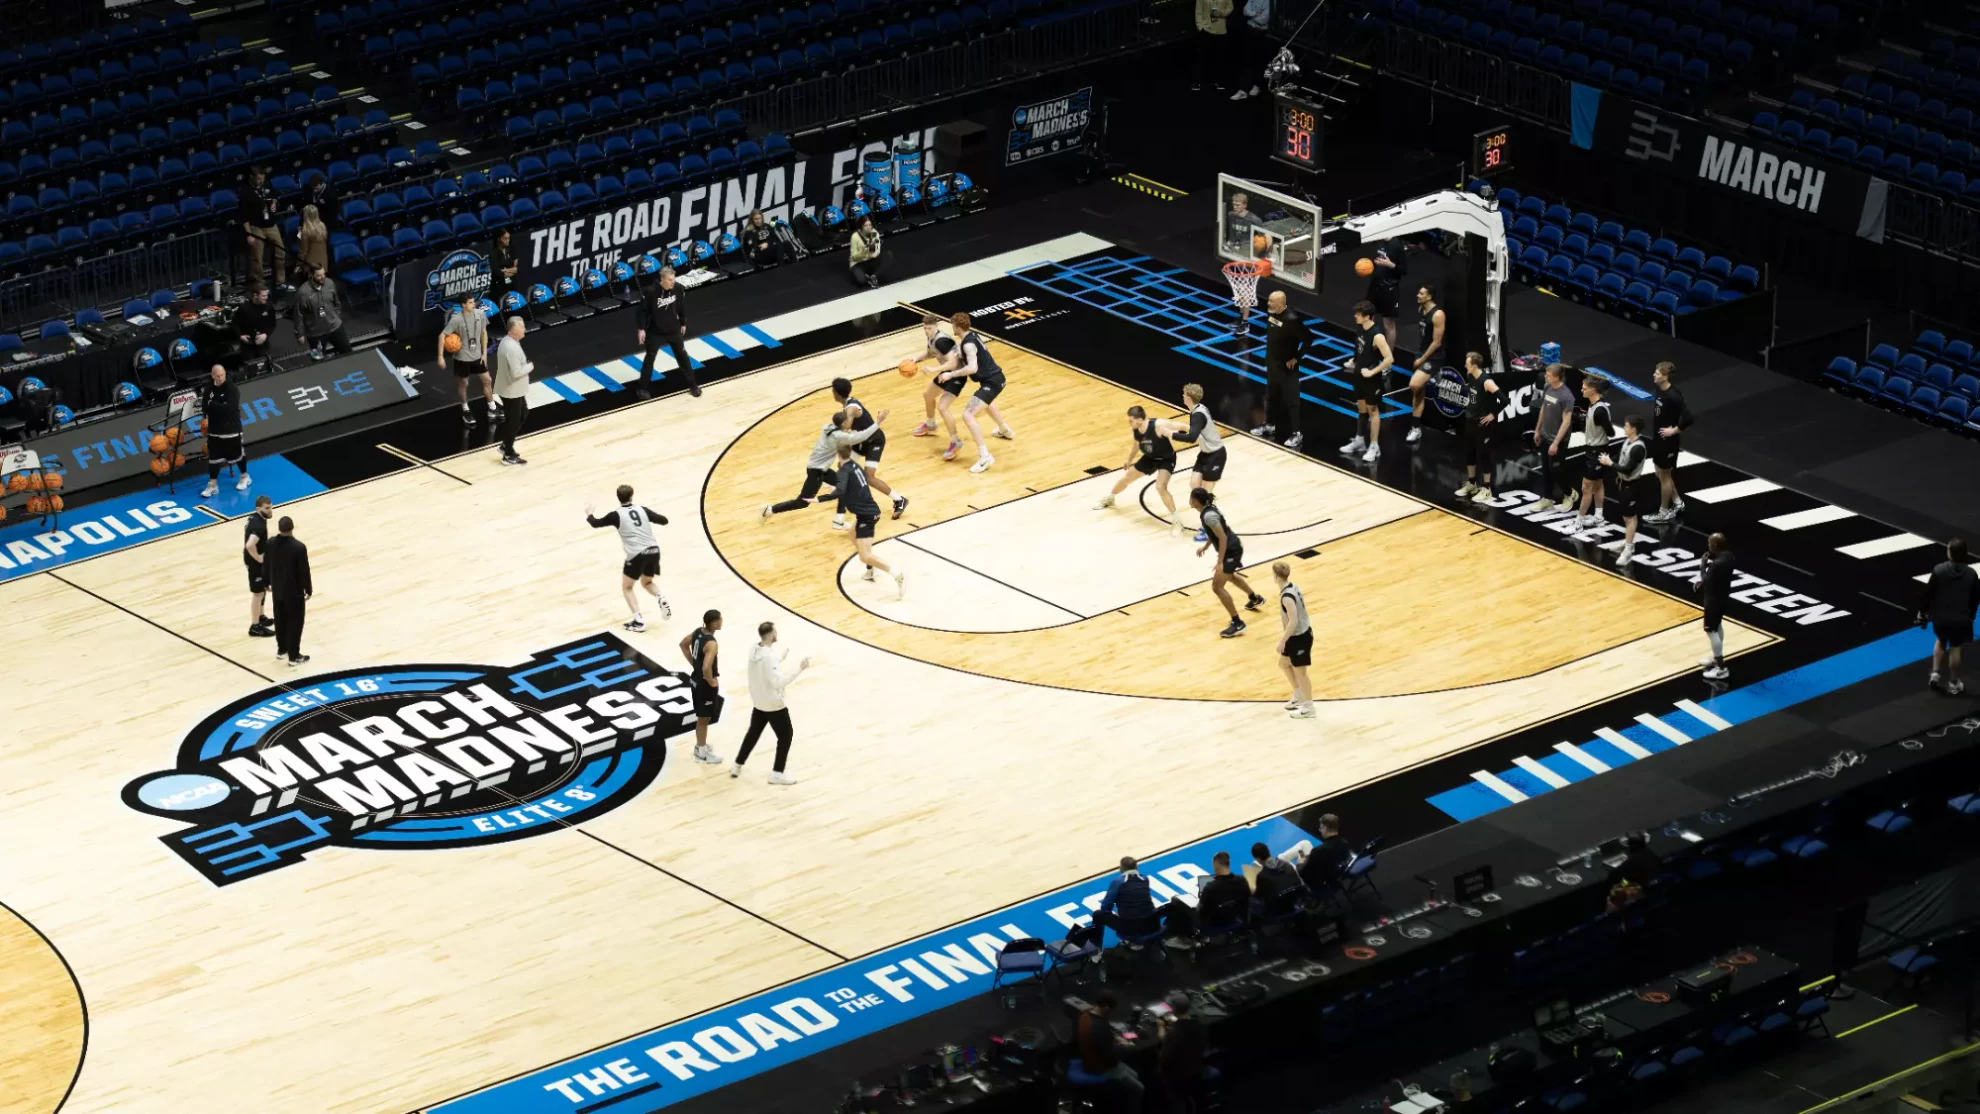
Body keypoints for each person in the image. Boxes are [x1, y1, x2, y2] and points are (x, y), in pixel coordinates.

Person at [763, 407, 884, 517]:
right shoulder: (838, 436)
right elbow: (861, 437)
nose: (850, 421)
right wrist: (877, 422)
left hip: (822, 469)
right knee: (802, 502)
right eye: (848, 420)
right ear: (842, 423)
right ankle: (771, 509)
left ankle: (853, 515)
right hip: (817, 472)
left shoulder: (828, 427)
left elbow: (845, 435)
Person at [586, 485, 672, 632]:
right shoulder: (642, 509)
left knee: (627, 587)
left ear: (618, 497)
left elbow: (596, 523)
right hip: (654, 550)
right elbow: (664, 520)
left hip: (637, 554)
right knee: (647, 582)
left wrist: (589, 514)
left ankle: (639, 621)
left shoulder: (616, 515)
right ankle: (660, 597)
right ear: (632, 496)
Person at [735, 621, 809, 785]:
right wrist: (799, 668)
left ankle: (737, 765)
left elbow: (767, 664)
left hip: (759, 701)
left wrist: (782, 656)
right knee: (786, 735)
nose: (777, 634)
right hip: (773, 704)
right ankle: (777, 773)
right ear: (769, 635)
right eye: (775, 632)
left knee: (753, 733)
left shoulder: (755, 649)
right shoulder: (769, 657)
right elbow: (777, 682)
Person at [1094, 405, 1185, 536]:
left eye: (1131, 420)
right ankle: (1110, 498)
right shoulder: (1137, 430)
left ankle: (1177, 521)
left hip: (1166, 459)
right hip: (1149, 458)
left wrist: (1194, 433)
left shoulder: (1158, 425)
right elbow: (1136, 445)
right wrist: (1129, 460)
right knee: (1126, 478)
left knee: (1160, 487)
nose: (1129, 423)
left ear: (1140, 420)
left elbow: (1181, 426)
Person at [834, 441, 905, 598]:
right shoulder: (854, 466)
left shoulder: (844, 471)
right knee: (852, 533)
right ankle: (871, 570)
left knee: (864, 556)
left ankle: (895, 573)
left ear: (838, 455)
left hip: (867, 514)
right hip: (866, 510)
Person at [945, 312, 1014, 474]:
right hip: (994, 378)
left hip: (993, 382)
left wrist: (951, 374)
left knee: (968, 415)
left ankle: (985, 456)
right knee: (986, 403)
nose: (952, 328)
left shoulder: (968, 344)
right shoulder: (972, 335)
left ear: (958, 327)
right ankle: (1005, 430)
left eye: (953, 325)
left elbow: (972, 368)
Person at [830, 376, 907, 521]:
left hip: (874, 441)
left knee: (869, 477)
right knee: (843, 464)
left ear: (837, 393)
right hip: (862, 440)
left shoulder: (851, 407)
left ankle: (899, 500)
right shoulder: (847, 404)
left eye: (833, 390)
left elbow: (847, 424)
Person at [1193, 488, 1264, 637]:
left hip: (1231, 550)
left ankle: (1237, 623)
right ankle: (1254, 598)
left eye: (1191, 498)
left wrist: (1220, 562)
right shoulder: (1207, 511)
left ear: (1196, 501)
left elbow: (1223, 537)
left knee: (1217, 586)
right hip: (1233, 547)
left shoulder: (1209, 516)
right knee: (1230, 576)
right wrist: (1205, 546)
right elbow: (1215, 534)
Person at [1918, 538, 1979, 694]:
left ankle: (1935, 674)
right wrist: (1971, 615)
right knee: (1955, 648)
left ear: (1950, 553)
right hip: (1961, 618)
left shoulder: (1939, 570)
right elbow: (1974, 598)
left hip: (1940, 617)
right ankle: (1953, 682)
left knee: (1940, 640)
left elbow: (1928, 594)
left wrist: (1922, 611)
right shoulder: (1972, 574)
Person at [1339, 300, 1392, 464]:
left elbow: (1389, 359)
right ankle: (1360, 441)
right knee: (1361, 409)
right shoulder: (1360, 328)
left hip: (1372, 379)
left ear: (1367, 316)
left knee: (1372, 411)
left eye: (1358, 314)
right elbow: (1359, 349)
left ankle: (1375, 447)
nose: (1355, 316)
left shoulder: (1378, 336)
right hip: (1358, 375)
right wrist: (1354, 360)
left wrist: (1372, 372)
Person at [1171, 383, 1226, 540]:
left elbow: (1191, 437)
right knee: (1195, 487)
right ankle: (1214, 514)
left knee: (1204, 495)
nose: (1182, 396)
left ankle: (1211, 529)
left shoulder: (1198, 415)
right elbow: (1196, 431)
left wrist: (1172, 434)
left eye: (1183, 394)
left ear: (1188, 398)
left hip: (1216, 455)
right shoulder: (1198, 409)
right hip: (1205, 454)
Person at [1256, 290, 1309, 448]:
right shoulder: (1271, 314)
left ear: (1280, 304)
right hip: (1273, 363)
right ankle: (1269, 425)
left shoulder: (1292, 319)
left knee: (1292, 401)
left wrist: (1296, 358)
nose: (1268, 303)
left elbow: (1308, 339)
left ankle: (1297, 434)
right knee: (1271, 396)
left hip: (1287, 367)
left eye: (1271, 301)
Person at [637, 266, 697, 396]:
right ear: (662, 279)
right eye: (669, 280)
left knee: (683, 356)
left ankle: (693, 385)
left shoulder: (678, 289)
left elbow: (681, 306)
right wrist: (641, 329)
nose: (672, 282)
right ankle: (642, 388)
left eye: (673, 279)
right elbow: (642, 312)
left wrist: (683, 322)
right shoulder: (650, 292)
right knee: (650, 358)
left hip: (673, 330)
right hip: (655, 332)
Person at [1075, 994, 1144, 1108]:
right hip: (1103, 1067)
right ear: (1107, 1007)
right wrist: (1126, 1047)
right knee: (1140, 1089)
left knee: (1135, 1075)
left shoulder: (1086, 1015)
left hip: (1093, 1058)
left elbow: (1106, 1038)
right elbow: (1110, 1058)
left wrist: (1117, 1039)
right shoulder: (1099, 1028)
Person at [1601, 415, 1652, 565]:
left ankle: (1628, 550)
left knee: (1629, 518)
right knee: (1628, 517)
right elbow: (1619, 457)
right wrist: (1608, 458)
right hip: (1622, 484)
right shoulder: (1628, 442)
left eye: (1626, 426)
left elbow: (1628, 470)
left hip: (1631, 486)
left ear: (1633, 429)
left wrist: (1610, 464)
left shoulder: (1638, 448)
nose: (1624, 428)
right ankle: (1628, 542)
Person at [1646, 361, 1693, 523]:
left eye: (1657, 373)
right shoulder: (1660, 389)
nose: (1654, 375)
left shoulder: (1674, 396)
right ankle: (1678, 502)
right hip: (1658, 439)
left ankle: (1664, 511)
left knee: (1665, 475)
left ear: (1665, 377)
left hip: (1668, 443)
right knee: (1659, 473)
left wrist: (1674, 430)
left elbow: (1688, 417)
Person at [438, 296, 496, 425]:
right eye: (470, 302)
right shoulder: (456, 319)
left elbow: (484, 333)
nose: (473, 304)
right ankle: (465, 409)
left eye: (473, 302)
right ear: (463, 304)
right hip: (462, 358)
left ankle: (492, 408)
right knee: (464, 384)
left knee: (487, 380)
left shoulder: (480, 314)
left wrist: (484, 353)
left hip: (477, 356)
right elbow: (442, 335)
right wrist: (440, 356)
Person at [1452, 350, 1500, 504]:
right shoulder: (1470, 377)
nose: (1465, 365)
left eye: (1467, 363)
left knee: (1484, 455)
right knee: (1469, 452)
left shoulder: (1487, 381)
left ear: (1474, 365)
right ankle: (1472, 484)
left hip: (1483, 424)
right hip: (1470, 421)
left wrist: (1493, 414)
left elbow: (1505, 400)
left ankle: (1486, 488)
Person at [679, 610, 726, 765]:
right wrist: (711, 680)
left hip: (695, 679)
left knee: (702, 717)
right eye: (719, 619)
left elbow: (683, 644)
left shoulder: (698, 631)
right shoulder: (712, 643)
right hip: (704, 684)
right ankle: (701, 751)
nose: (721, 621)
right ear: (713, 623)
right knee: (704, 718)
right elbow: (707, 667)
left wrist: (694, 664)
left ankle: (701, 746)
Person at [265, 514, 312, 667]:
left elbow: (266, 564)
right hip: (294, 592)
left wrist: (266, 581)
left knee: (280, 620)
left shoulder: (270, 543)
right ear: (292, 528)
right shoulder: (298, 547)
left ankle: (282, 650)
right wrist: (308, 589)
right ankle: (294, 656)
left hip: (277, 590)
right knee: (295, 623)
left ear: (279, 528)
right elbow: (303, 571)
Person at [198, 363, 250, 497]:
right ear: (212, 375)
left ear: (225, 373)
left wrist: (213, 405)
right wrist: (218, 406)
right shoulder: (209, 389)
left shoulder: (232, 389)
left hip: (231, 428)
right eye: (218, 375)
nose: (220, 378)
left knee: (237, 455)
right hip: (214, 429)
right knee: (213, 458)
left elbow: (230, 409)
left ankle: (244, 476)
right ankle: (213, 485)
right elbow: (204, 407)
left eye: (222, 375)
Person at [909, 313, 961, 445]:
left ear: (936, 326)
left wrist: (933, 369)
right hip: (947, 372)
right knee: (928, 395)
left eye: (929, 328)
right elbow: (930, 352)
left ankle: (955, 441)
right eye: (925, 328)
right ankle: (931, 424)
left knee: (942, 407)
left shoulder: (941, 341)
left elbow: (953, 362)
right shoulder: (931, 338)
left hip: (957, 374)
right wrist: (916, 359)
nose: (926, 331)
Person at [1531, 362, 1577, 511]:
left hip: (1559, 440)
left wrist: (1556, 443)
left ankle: (1569, 494)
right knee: (1546, 468)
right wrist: (1538, 430)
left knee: (1556, 469)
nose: (1545, 377)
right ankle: (1547, 498)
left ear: (1557, 377)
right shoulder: (1547, 387)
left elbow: (1566, 422)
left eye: (1548, 375)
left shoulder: (1566, 396)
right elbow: (1543, 409)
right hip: (1545, 435)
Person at [1156, 992, 1209, 1114]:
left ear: (1173, 1009)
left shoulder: (1174, 1032)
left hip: (1178, 1076)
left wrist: (1161, 1028)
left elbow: (1165, 1060)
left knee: (1176, 1101)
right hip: (1197, 1070)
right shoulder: (1199, 1025)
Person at [1406, 283, 1446, 444]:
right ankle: (1416, 428)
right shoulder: (1421, 310)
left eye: (1421, 294)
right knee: (1417, 391)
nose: (1418, 295)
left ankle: (1435, 374)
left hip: (1434, 357)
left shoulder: (1438, 315)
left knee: (1414, 385)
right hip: (1422, 352)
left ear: (1429, 296)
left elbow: (1437, 342)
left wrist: (1422, 360)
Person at [1273, 561, 1313, 719]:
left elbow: (1293, 620)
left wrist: (1282, 640)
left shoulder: (1287, 597)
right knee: (1283, 663)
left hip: (1299, 637)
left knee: (1301, 673)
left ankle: (1309, 706)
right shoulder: (1292, 586)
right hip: (1296, 635)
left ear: (1276, 576)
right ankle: (1299, 695)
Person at [1575, 374, 1615, 530]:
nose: (1581, 390)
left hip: (1597, 451)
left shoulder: (1599, 411)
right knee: (1598, 484)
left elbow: (1611, 432)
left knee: (1586, 488)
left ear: (1592, 390)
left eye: (1584, 388)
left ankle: (1578, 522)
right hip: (1593, 449)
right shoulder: (1592, 405)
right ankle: (1598, 516)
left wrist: (1599, 429)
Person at [290, 261, 351, 359]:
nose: (323, 278)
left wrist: (336, 317)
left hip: (335, 327)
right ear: (311, 275)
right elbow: (298, 315)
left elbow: (337, 303)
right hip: (315, 334)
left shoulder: (330, 283)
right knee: (318, 359)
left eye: (324, 274)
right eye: (319, 276)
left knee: (348, 353)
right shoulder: (302, 293)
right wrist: (299, 334)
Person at [493, 316, 532, 465]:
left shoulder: (507, 341)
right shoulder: (511, 347)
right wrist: (529, 366)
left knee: (523, 414)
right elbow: (516, 373)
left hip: (512, 388)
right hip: (511, 390)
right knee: (513, 421)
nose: (524, 329)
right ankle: (508, 455)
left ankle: (505, 445)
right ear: (513, 330)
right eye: (521, 327)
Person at [239, 166, 285, 287]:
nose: (261, 181)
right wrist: (249, 234)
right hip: (256, 227)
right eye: (259, 179)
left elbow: (275, 197)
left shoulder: (267, 183)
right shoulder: (245, 191)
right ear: (252, 177)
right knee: (257, 258)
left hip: (271, 224)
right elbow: (243, 216)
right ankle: (260, 284)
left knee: (281, 252)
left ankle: (281, 281)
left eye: (263, 179)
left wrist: (274, 203)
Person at [1697, 532, 1733, 681]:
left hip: (1713, 600)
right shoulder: (1729, 556)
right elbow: (1713, 579)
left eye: (1710, 543)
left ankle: (1721, 668)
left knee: (1711, 631)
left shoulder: (1717, 564)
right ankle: (1715, 657)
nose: (1708, 545)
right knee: (1717, 627)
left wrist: (1703, 565)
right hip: (1722, 597)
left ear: (1716, 545)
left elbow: (1706, 577)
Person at [1094, 856, 1157, 934]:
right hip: (1153, 924)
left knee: (1098, 915)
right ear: (1136, 867)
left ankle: (1094, 945)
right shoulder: (1145, 879)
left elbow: (1105, 908)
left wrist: (1121, 913)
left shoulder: (1117, 882)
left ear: (1121, 868)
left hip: (1131, 929)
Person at [1364, 239, 1406, 351]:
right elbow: (1376, 261)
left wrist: (1390, 264)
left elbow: (1404, 270)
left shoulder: (1397, 246)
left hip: (1389, 289)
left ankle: (1388, 359)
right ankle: (1365, 353)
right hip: (1374, 286)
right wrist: (1367, 267)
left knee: (1388, 325)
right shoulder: (1379, 242)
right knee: (1366, 319)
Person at [243, 493, 274, 639]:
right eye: (267, 508)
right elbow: (249, 545)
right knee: (258, 593)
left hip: (254, 559)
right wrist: (259, 558)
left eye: (271, 507)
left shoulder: (255, 518)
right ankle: (254, 626)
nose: (270, 510)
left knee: (262, 588)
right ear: (258, 509)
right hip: (254, 562)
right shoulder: (259, 525)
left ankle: (261, 617)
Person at [1227, 0, 1271, 100]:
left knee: (1259, 61)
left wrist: (1251, 15)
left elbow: (1264, 19)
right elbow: (1244, 10)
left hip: (1261, 33)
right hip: (1249, 30)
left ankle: (1257, 86)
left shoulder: (1268, 1)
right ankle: (1243, 90)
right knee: (1247, 60)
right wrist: (1256, 13)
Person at [1297, 814, 1352, 891]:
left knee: (1288, 865)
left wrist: (1300, 863)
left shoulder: (1318, 851)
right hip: (1332, 877)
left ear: (1325, 828)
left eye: (1321, 828)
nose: (1320, 831)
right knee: (1305, 843)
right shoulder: (1344, 844)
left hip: (1316, 884)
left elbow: (1303, 874)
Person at [1249, 840, 1304, 912]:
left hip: (1277, 910)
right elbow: (1298, 883)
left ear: (1258, 859)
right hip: (1294, 902)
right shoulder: (1288, 866)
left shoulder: (1262, 876)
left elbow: (1259, 896)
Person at [1191, 0, 1232, 93]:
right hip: (1206, 30)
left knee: (1220, 57)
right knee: (1201, 57)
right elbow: (1198, 11)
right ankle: (1197, 81)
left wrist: (1221, 13)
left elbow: (1230, 7)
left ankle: (1219, 81)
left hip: (1221, 30)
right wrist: (1201, 27)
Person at [234, 282, 275, 373]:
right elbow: (235, 324)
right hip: (248, 344)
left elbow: (272, 324)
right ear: (255, 295)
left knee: (266, 367)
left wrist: (266, 335)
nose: (266, 297)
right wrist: (240, 336)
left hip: (263, 343)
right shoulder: (244, 308)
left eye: (266, 295)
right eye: (263, 296)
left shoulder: (268, 308)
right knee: (249, 369)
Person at [488, 228, 519, 314]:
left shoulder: (512, 248)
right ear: (499, 239)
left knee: (514, 304)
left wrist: (505, 270)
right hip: (498, 284)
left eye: (508, 238)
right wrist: (506, 272)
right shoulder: (493, 253)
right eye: (505, 238)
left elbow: (516, 269)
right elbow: (497, 271)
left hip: (512, 282)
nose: (507, 240)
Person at [847, 215, 883, 288]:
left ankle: (873, 276)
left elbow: (878, 249)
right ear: (861, 226)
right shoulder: (855, 236)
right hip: (858, 262)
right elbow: (854, 257)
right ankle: (865, 276)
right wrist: (863, 251)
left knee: (888, 255)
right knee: (862, 281)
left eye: (870, 225)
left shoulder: (874, 233)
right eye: (865, 225)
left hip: (870, 259)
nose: (868, 227)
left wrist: (875, 254)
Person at [296, 203, 329, 279]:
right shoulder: (323, 226)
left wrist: (298, 265)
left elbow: (302, 251)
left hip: (311, 267)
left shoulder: (304, 231)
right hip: (323, 265)